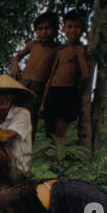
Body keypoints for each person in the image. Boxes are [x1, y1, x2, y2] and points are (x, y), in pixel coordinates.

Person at [39, 12, 90, 147]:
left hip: (68, 92)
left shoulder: (80, 49)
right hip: (53, 92)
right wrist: (43, 101)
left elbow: (85, 75)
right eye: (70, 26)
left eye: (77, 27)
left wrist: (75, 93)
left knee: (60, 132)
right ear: (64, 29)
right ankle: (48, 164)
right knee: (48, 132)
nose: (73, 30)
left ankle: (58, 162)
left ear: (83, 29)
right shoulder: (61, 50)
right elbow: (51, 75)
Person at [10, 11, 60, 139]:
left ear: (55, 29)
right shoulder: (33, 45)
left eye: (47, 28)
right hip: (23, 83)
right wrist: (15, 66)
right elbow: (17, 56)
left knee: (30, 119)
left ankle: (26, 150)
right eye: (40, 29)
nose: (43, 32)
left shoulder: (57, 49)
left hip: (39, 87)